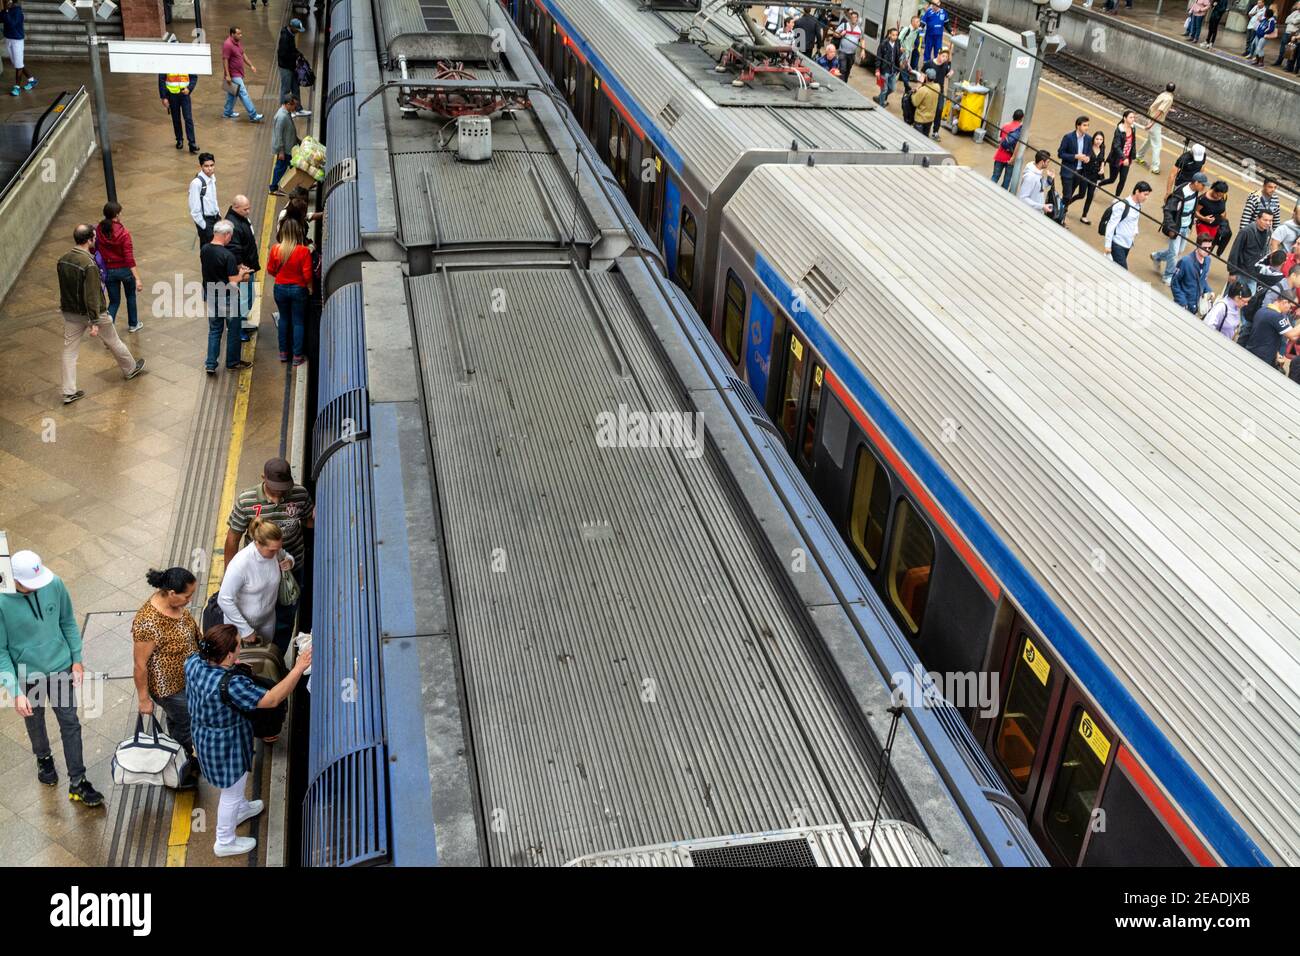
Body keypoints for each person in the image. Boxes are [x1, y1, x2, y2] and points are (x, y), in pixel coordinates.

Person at [185, 623, 311, 857]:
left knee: (237, 785)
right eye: (239, 644)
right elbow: (272, 699)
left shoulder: (194, 661)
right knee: (230, 792)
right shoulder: (231, 685)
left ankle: (241, 808)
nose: (242, 646)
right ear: (229, 654)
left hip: (205, 736)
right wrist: (299, 667)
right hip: (225, 745)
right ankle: (224, 841)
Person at [0, 550, 104, 807]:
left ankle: (78, 781)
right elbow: (1, 651)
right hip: (27, 674)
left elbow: (67, 620)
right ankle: (43, 756)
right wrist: (15, 691)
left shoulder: (53, 583)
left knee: (70, 722)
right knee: (34, 720)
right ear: (16, 580)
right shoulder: (2, 602)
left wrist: (76, 658)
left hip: (60, 666)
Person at [226, 457, 313, 646]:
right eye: (275, 489)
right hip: (259, 569)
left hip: (291, 566)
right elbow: (233, 537)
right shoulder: (246, 500)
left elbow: (308, 522)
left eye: (283, 490)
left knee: (286, 613)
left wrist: (317, 515)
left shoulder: (299, 494)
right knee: (257, 606)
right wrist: (229, 573)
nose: (279, 496)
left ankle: (276, 656)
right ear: (263, 478)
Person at [57, 225, 145, 405]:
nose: (95, 240)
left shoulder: (63, 260)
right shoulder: (89, 264)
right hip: (92, 312)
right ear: (89, 240)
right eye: (94, 237)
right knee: (113, 340)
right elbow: (92, 295)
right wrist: (94, 321)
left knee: (69, 351)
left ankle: (68, 391)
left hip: (70, 312)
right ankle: (130, 368)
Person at [131, 567, 201, 789]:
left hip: (187, 678)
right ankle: (185, 763)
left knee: (179, 719)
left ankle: (183, 756)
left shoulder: (176, 605)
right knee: (188, 721)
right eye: (187, 595)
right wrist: (144, 699)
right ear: (171, 593)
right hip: (168, 688)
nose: (190, 600)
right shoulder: (148, 622)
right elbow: (140, 665)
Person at [219, 516, 295, 650]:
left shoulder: (274, 552)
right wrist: (245, 630)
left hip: (268, 619)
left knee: (264, 661)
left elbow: (286, 555)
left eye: (278, 548)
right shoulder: (240, 564)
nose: (276, 552)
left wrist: (289, 561)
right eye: (272, 550)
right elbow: (224, 599)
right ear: (257, 543)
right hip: (240, 627)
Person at [201, 220, 254, 374]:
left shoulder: (204, 249)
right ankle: (233, 362)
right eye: (230, 236)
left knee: (215, 330)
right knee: (233, 329)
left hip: (211, 293)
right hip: (227, 297)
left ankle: (211, 363)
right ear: (226, 235)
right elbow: (233, 281)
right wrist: (242, 274)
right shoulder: (227, 255)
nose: (230, 239)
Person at [267, 218, 314, 367]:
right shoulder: (304, 251)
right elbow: (307, 276)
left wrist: (282, 278)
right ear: (298, 232)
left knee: (284, 319)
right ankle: (297, 356)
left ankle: (283, 353)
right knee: (298, 322)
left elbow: (271, 270)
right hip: (299, 289)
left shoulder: (275, 249)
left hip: (280, 288)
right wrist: (309, 287)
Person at [95, 202, 144, 333]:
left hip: (108, 271)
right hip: (124, 271)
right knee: (130, 297)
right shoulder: (124, 234)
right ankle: (133, 324)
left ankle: (108, 331)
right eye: (120, 212)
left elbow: (95, 247)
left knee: (114, 302)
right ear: (116, 215)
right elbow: (129, 258)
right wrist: (137, 278)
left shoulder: (99, 230)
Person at [1152, 171, 1207, 284]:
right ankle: (1168, 276)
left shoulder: (1195, 191)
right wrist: (1172, 227)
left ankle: (1157, 256)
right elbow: (1168, 210)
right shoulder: (1180, 193)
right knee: (1174, 253)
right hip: (1177, 227)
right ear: (1196, 182)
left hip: (1186, 226)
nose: (1204, 187)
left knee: (1178, 251)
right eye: (1203, 184)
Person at [225, 194, 260, 341]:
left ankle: (243, 323)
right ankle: (238, 329)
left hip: (248, 266)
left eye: (249, 208)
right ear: (236, 207)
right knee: (243, 300)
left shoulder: (240, 218)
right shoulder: (232, 225)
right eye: (245, 209)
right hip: (243, 270)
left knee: (248, 298)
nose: (248, 212)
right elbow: (234, 249)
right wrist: (242, 270)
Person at [1239, 295, 1300, 366]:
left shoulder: (1263, 309)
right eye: (1292, 307)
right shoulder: (1276, 316)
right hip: (1261, 359)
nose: (1291, 310)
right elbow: (1292, 334)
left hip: (1254, 352)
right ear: (1284, 302)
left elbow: (1292, 337)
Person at [1103, 181, 1152, 269]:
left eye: (1148, 195)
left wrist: (1135, 231)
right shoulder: (1122, 205)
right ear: (1137, 192)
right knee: (1123, 271)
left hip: (1127, 244)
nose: (1146, 197)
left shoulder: (1138, 205)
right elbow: (1111, 225)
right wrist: (1107, 245)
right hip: (1117, 244)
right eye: (1145, 194)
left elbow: (1135, 220)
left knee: (1113, 269)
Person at [1228, 209, 1275, 294]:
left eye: (1270, 221)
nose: (1268, 223)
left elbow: (1265, 251)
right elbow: (1235, 251)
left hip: (1254, 274)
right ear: (1257, 219)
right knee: (1231, 298)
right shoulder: (1246, 231)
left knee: (1248, 301)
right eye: (1265, 220)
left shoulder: (1269, 232)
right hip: (1241, 272)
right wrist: (1232, 272)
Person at [221, 26, 263, 122]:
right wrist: (227, 75)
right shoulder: (227, 45)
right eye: (238, 34)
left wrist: (251, 65)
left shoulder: (237, 42)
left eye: (241, 33)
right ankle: (253, 115)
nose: (241, 35)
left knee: (232, 93)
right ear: (232, 34)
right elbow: (225, 60)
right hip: (233, 75)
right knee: (243, 93)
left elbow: (243, 54)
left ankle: (227, 112)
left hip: (239, 73)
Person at [1065, 130, 1106, 224]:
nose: (1099, 141)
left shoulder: (1102, 148)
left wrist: (1102, 168)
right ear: (1093, 139)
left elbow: (1102, 159)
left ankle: (1084, 216)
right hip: (1085, 174)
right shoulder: (1088, 147)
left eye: (1101, 139)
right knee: (1081, 195)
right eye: (1097, 139)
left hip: (1094, 176)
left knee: (1090, 196)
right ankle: (1066, 204)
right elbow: (1083, 157)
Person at [1134, 83, 1174, 175]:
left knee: (1149, 140)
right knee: (1157, 145)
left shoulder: (1163, 94)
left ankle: (1139, 156)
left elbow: (1158, 106)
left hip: (1152, 119)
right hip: (1155, 122)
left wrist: (1169, 109)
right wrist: (1151, 123)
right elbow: (1160, 111)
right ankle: (1155, 167)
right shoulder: (1169, 98)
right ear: (1173, 91)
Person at [1056, 115, 1092, 213]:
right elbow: (1060, 154)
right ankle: (1059, 213)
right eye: (1084, 125)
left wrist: (1088, 157)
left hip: (1079, 173)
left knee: (1069, 195)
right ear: (1077, 126)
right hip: (1068, 171)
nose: (1087, 127)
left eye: (1088, 125)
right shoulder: (1068, 137)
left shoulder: (1088, 139)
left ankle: (1061, 212)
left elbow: (1089, 152)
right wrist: (1075, 156)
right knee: (1067, 196)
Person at [277, 18, 312, 116]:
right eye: (297, 30)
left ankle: (298, 109)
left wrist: (298, 53)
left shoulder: (291, 34)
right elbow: (283, 54)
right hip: (285, 67)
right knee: (286, 89)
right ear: (292, 27)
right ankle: (285, 110)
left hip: (292, 67)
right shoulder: (285, 37)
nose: (298, 32)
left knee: (295, 88)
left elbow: (292, 49)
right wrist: (294, 55)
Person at [158, 70, 199, 153]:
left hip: (185, 94)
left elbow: (194, 77)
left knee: (188, 118)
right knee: (176, 119)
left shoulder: (186, 61)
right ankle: (179, 139)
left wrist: (189, 88)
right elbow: (161, 79)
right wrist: (164, 97)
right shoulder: (166, 62)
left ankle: (192, 143)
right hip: (172, 95)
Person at [1098, 109, 1137, 196]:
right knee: (1112, 179)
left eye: (1134, 117)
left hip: (1127, 160)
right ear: (1124, 118)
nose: (1133, 119)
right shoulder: (1119, 130)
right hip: (1116, 159)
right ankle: (1099, 184)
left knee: (1123, 180)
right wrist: (1124, 157)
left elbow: (1133, 142)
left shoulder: (1133, 128)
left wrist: (1132, 156)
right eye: (1131, 117)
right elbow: (1116, 146)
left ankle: (1116, 198)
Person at [1171, 237, 1215, 313]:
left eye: (1209, 248)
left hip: (1195, 306)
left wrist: (1208, 290)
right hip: (1182, 305)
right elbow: (1174, 283)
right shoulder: (1185, 261)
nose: (1207, 250)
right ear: (1197, 246)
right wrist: (1182, 301)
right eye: (1204, 248)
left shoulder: (1208, 260)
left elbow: (1203, 279)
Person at [270, 92, 300, 196]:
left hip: (289, 147)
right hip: (285, 149)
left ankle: (298, 185)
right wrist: (281, 151)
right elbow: (279, 136)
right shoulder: (281, 117)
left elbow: (289, 130)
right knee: (280, 168)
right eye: (294, 105)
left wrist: (297, 140)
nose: (295, 107)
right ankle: (273, 188)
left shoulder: (286, 113)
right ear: (288, 104)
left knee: (294, 166)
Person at [2, 0, 35, 96]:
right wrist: (5, 11)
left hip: (17, 41)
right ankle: (32, 80)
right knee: (17, 63)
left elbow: (11, 24)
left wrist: (6, 11)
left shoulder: (17, 11)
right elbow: (2, 19)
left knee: (18, 64)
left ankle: (17, 87)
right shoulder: (8, 9)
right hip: (9, 39)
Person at [189, 152, 221, 244]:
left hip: (215, 219)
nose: (210, 168)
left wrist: (218, 214)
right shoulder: (196, 183)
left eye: (212, 165)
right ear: (201, 166)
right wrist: (204, 226)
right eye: (206, 166)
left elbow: (213, 199)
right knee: (207, 251)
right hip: (206, 221)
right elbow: (194, 209)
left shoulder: (212, 178)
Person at [920, 47, 951, 140]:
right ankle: (921, 126)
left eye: (946, 57)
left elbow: (947, 73)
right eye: (943, 56)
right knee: (926, 108)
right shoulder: (929, 63)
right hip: (929, 90)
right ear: (938, 55)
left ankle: (935, 132)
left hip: (939, 91)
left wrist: (950, 73)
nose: (944, 58)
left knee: (939, 109)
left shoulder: (945, 65)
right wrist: (921, 85)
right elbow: (922, 73)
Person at [1194, 180, 1231, 256]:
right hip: (1203, 224)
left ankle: (1203, 262)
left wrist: (1223, 220)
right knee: (1204, 245)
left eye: (1221, 195)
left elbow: (1223, 209)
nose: (1219, 197)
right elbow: (1195, 212)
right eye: (1217, 195)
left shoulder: (1223, 197)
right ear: (1214, 190)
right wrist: (1204, 218)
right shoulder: (1203, 199)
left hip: (1215, 226)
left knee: (1209, 247)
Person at [990, 109, 1024, 190]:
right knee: (1006, 181)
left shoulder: (1005, 125)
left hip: (1000, 156)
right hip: (1011, 158)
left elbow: (1002, 139)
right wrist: (1014, 157)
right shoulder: (1021, 130)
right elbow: (1018, 146)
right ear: (1022, 118)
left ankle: (988, 192)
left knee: (995, 177)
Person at [1017, 149, 1054, 215]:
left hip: (1036, 212)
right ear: (1042, 162)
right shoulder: (1030, 177)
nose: (1048, 164)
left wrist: (1049, 180)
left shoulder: (1038, 172)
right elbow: (1023, 198)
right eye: (1048, 162)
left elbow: (1039, 187)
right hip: (1029, 214)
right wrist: (1042, 206)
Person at [875, 27, 905, 108]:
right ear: (889, 35)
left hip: (893, 70)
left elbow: (897, 54)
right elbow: (878, 57)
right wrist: (877, 69)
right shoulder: (883, 44)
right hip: (884, 70)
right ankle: (881, 105)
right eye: (893, 35)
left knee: (892, 88)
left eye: (896, 35)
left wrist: (901, 52)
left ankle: (880, 97)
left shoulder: (898, 42)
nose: (895, 37)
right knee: (884, 89)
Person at [834, 9, 863, 81]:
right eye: (852, 17)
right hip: (842, 52)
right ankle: (842, 84)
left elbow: (862, 40)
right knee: (843, 69)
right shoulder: (844, 25)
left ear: (857, 18)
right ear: (850, 17)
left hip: (852, 54)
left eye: (855, 17)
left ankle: (844, 82)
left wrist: (863, 50)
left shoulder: (859, 29)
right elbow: (835, 34)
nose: (853, 19)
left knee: (848, 70)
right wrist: (840, 34)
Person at [911, 68, 941, 137]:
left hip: (920, 119)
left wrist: (914, 93)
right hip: (930, 119)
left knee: (917, 139)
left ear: (926, 77)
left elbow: (915, 103)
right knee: (925, 138)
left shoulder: (923, 90)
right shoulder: (937, 87)